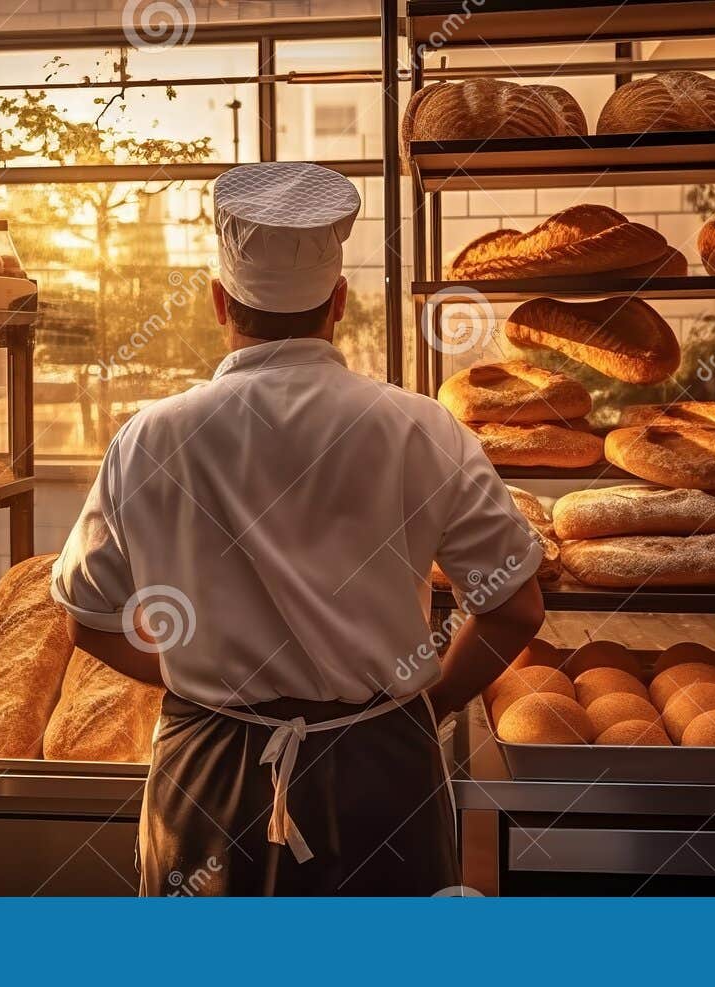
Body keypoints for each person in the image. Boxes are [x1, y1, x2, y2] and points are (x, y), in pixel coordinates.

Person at [51, 162, 545, 896]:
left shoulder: (151, 437)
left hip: (208, 775)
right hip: (383, 767)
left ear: (219, 301)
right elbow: (516, 607)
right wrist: (421, 706)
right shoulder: (421, 428)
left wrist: (204, 688)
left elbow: (87, 619)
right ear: (339, 300)